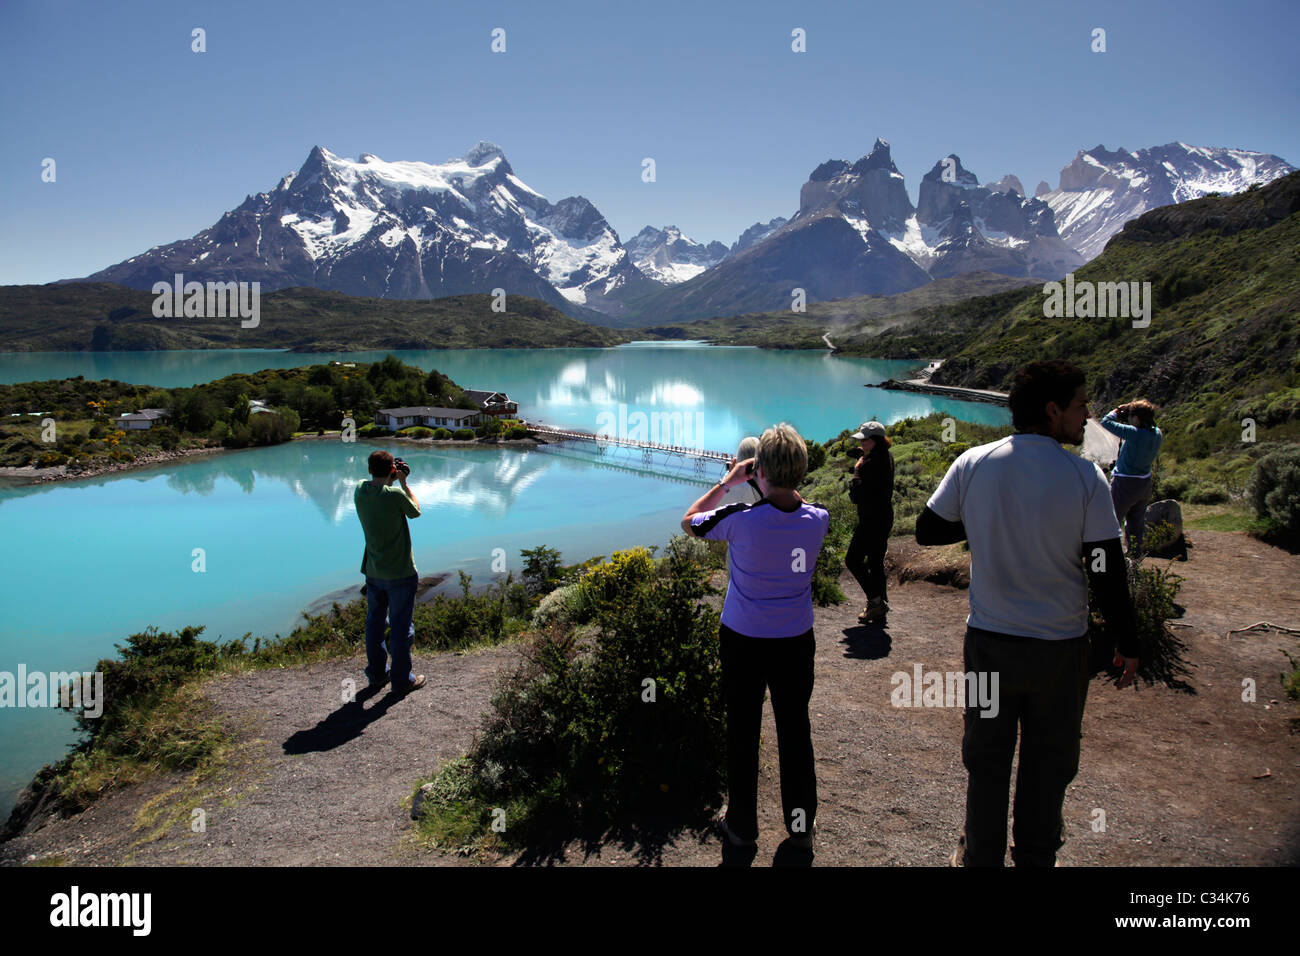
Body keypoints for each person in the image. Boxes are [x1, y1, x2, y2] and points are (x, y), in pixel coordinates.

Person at [915, 359, 1139, 867]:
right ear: (1053, 409)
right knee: (1050, 760)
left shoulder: (974, 462)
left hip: (991, 643)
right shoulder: (1085, 476)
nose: (1088, 416)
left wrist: (983, 522)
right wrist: (1128, 642)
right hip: (1059, 652)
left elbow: (927, 530)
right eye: (1082, 405)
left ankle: (980, 854)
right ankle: (1036, 855)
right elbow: (1105, 571)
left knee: (987, 756)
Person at [681, 423, 830, 852]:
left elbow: (689, 522)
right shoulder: (818, 518)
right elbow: (788, 508)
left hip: (743, 640)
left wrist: (728, 483)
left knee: (743, 730)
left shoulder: (739, 520)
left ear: (757, 470)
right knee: (795, 730)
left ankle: (743, 828)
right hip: (795, 641)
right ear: (802, 468)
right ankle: (800, 827)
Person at [354, 449, 426, 694]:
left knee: (374, 623)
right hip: (401, 573)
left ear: (369, 469)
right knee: (400, 625)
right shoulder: (395, 494)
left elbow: (377, 486)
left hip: (373, 572)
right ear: (393, 471)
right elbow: (415, 511)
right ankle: (402, 680)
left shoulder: (360, 491)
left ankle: (376, 675)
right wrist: (404, 482)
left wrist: (390, 477)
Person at [845, 421, 895, 625]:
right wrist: (863, 455)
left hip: (870, 520)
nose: (862, 442)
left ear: (874, 441)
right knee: (875, 561)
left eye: (864, 440)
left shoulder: (869, 465)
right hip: (883, 517)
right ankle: (880, 604)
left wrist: (857, 470)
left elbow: (856, 495)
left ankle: (875, 601)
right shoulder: (885, 456)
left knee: (853, 560)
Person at [1099, 399, 1163, 555]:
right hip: (1144, 483)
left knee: (1112, 521)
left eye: (1130, 415)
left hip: (1125, 483)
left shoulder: (1133, 433)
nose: (1128, 418)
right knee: (1136, 522)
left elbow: (1106, 422)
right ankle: (1134, 555)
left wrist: (1116, 411)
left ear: (1137, 418)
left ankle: (1106, 556)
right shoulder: (1157, 433)